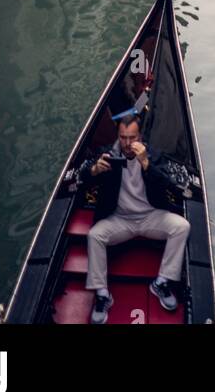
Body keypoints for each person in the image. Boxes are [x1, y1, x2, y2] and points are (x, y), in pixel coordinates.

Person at [81, 115, 191, 322]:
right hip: (120, 219)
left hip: (151, 216)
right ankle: (103, 295)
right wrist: (94, 170)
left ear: (140, 136)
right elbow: (82, 179)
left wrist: (146, 163)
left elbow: (169, 185)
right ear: (118, 136)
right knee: (95, 235)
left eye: (132, 138)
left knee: (182, 226)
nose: (128, 144)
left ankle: (161, 283)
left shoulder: (153, 156)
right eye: (123, 138)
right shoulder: (106, 154)